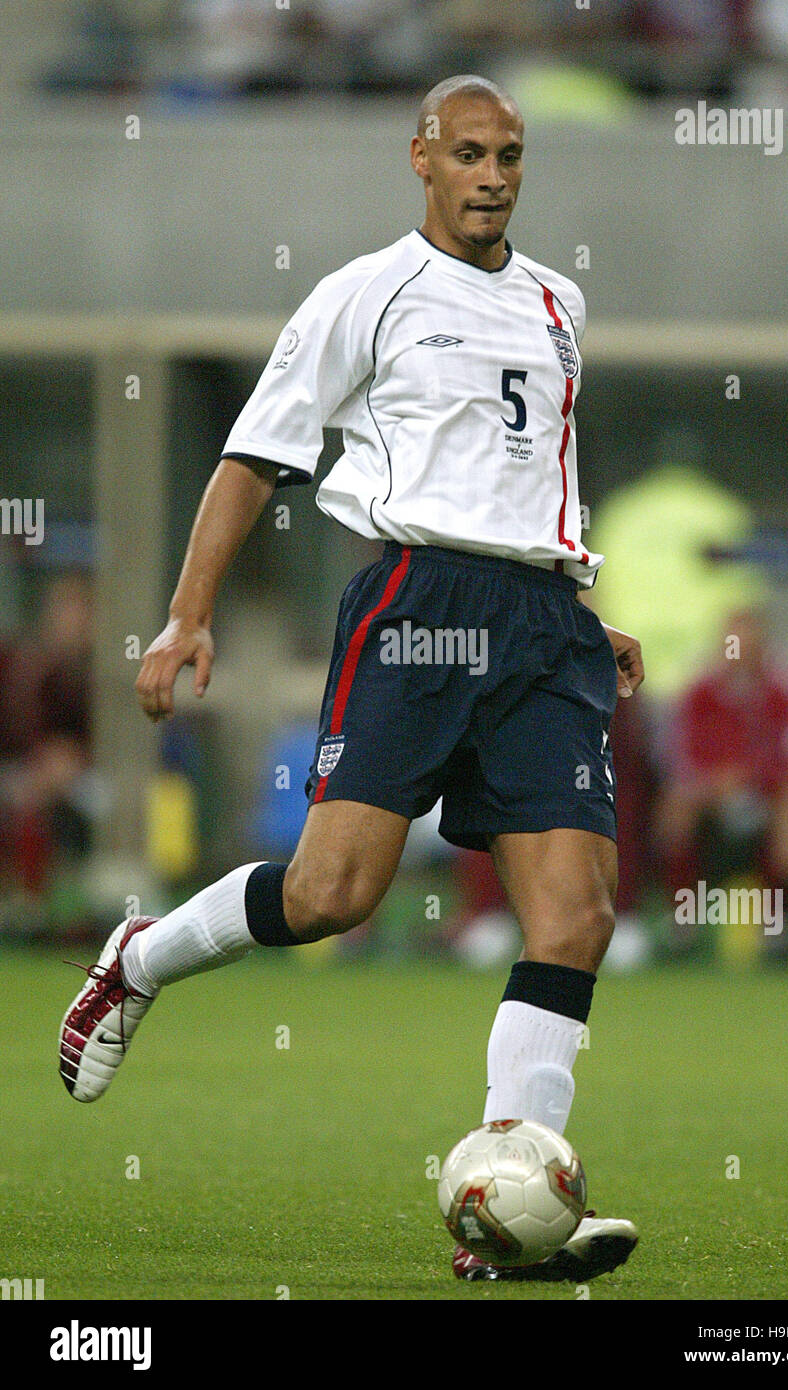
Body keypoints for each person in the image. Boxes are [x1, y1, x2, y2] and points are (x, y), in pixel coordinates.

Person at [59, 74, 644, 1284]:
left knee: (577, 915)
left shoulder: (556, 300)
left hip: (541, 623)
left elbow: (533, 469)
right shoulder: (361, 295)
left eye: (511, 156)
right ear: (420, 158)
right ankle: (140, 958)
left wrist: (584, 601)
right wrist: (183, 619)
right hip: (416, 605)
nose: (493, 175)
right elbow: (250, 459)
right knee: (332, 894)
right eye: (470, 153)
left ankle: (503, 1203)